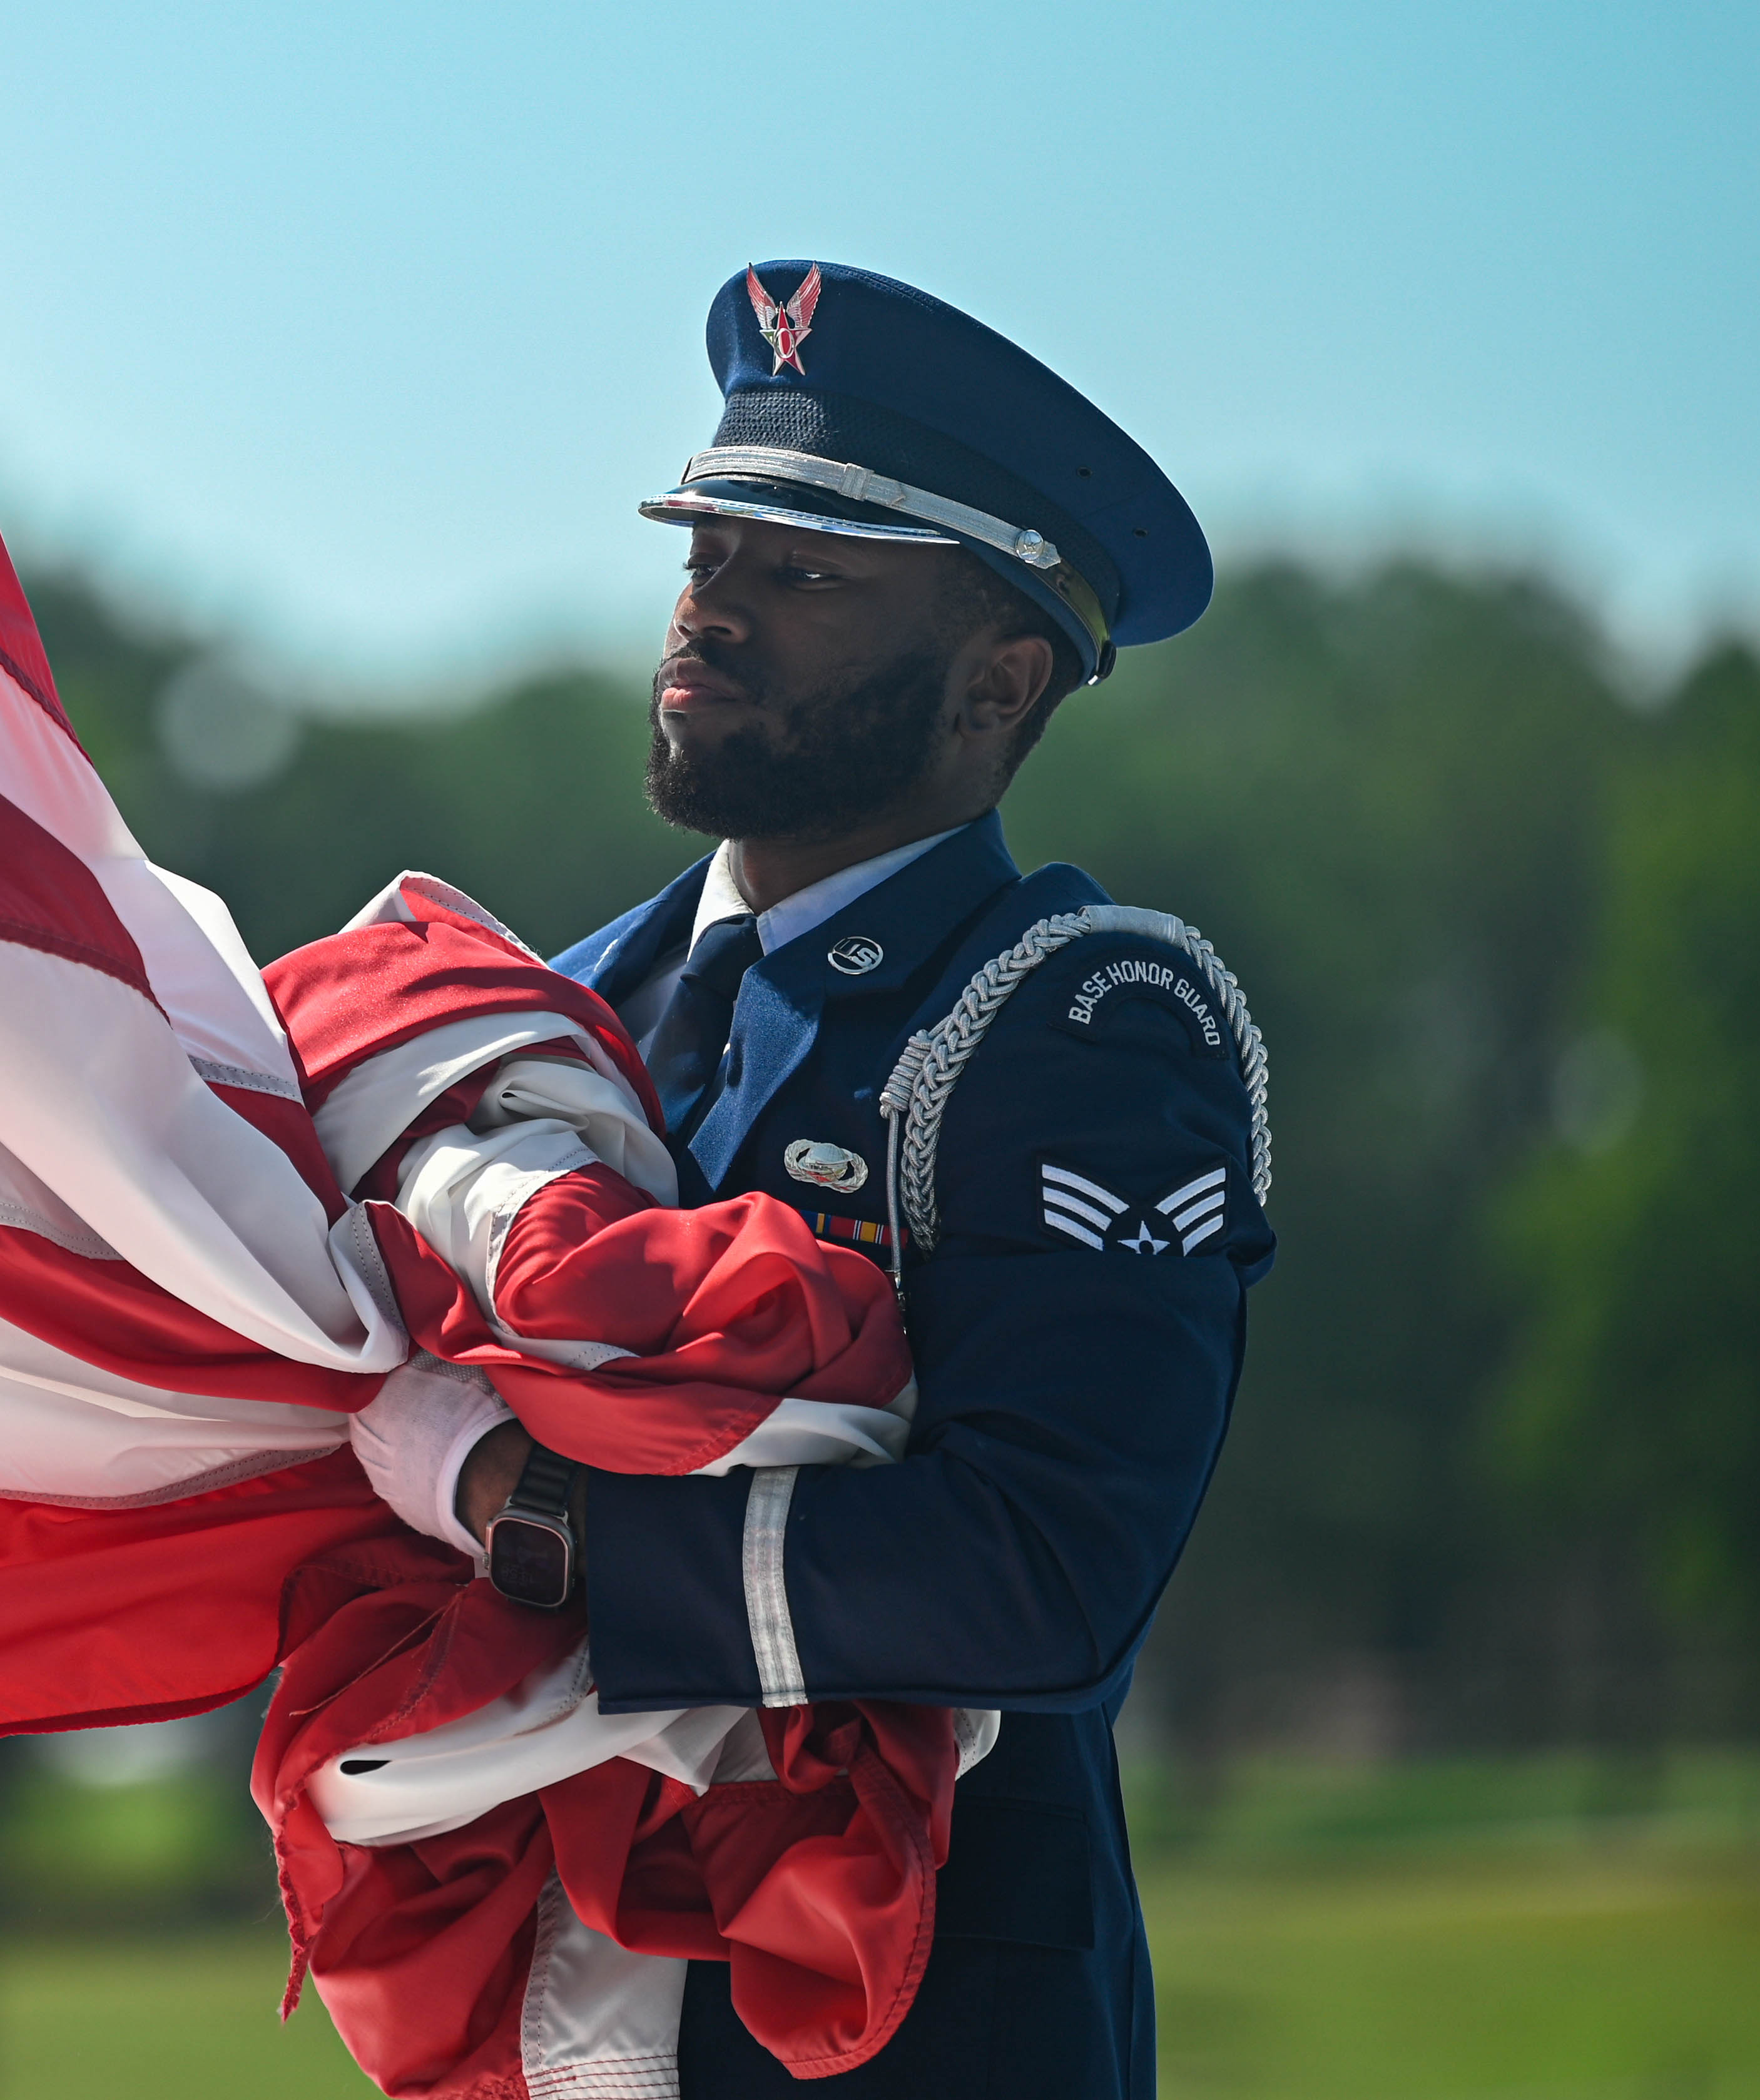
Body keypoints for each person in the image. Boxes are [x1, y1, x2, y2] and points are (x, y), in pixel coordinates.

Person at [363, 259, 1276, 2097]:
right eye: (708, 553)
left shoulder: (1078, 1020)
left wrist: (543, 1524)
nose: (712, 607)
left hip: (907, 2032)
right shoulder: (555, 1008)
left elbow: (1045, 1578)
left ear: (999, 682)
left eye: (807, 577)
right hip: (550, 1998)